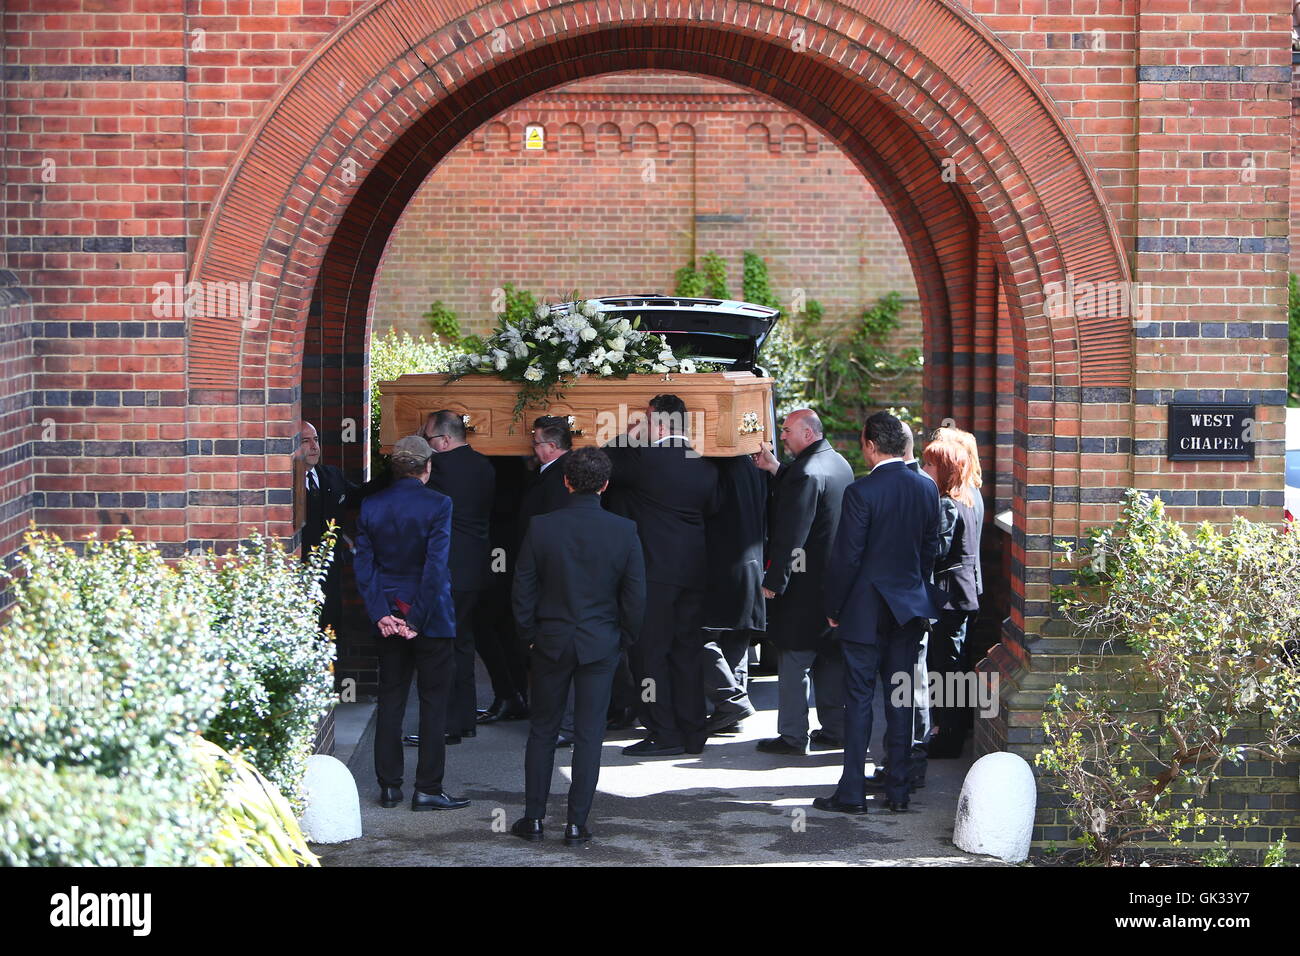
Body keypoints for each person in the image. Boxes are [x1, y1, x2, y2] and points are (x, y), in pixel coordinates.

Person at [511, 447, 646, 846]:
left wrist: (529, 634)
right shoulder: (624, 531)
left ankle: (533, 819)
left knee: (543, 731)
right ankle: (575, 824)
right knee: (589, 735)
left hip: (551, 639)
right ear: (605, 485)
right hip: (600, 641)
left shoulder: (541, 527)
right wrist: (624, 638)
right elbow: (635, 596)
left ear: (566, 481)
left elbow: (523, 589)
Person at [815, 411, 941, 814]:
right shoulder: (927, 488)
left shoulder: (862, 491)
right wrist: (916, 594)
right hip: (907, 610)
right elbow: (929, 551)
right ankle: (899, 791)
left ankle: (852, 791)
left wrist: (833, 607)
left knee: (859, 701)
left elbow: (847, 559)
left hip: (864, 611)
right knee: (900, 700)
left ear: (870, 446)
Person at [354, 435, 468, 812]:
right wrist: (416, 618)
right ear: (427, 467)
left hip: (388, 616)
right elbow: (435, 567)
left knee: (391, 699)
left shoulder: (371, 505)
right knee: (433, 703)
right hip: (429, 616)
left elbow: (364, 566)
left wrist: (381, 613)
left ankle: (389, 787)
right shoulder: (439, 504)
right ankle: (428, 788)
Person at [604, 394, 720, 756]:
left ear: (658, 424)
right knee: (687, 653)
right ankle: (693, 731)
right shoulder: (706, 466)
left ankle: (663, 731)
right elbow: (713, 510)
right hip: (695, 573)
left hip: (655, 574)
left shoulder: (644, 458)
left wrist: (627, 434)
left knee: (649, 656)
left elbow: (603, 460)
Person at [751, 409, 854, 756]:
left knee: (794, 659)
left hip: (804, 586)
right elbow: (815, 496)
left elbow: (792, 534)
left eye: (787, 431)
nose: (782, 437)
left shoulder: (807, 473)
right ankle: (835, 729)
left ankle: (793, 736)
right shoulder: (838, 462)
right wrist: (775, 468)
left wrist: (774, 580)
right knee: (830, 657)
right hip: (836, 583)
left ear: (807, 434)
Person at [423, 410, 496, 744]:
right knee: (464, 644)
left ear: (445, 440)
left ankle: (448, 724)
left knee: (443, 647)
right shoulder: (485, 465)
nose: (427, 446)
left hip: (448, 569)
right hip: (476, 568)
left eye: (429, 439)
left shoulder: (437, 468)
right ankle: (465, 719)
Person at [921, 437, 979, 759]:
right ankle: (950, 732)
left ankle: (947, 738)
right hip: (960, 594)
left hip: (949, 596)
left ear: (943, 470)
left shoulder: (945, 503)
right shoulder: (966, 498)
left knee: (946, 669)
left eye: (929, 464)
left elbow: (937, 550)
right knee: (952, 668)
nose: (924, 468)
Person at [700, 453, 767, 735]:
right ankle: (731, 711)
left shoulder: (715, 467)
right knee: (737, 637)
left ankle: (731, 701)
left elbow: (710, 508)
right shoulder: (751, 467)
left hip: (723, 563)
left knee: (702, 636)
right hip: (752, 561)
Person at [296, 420, 365, 633]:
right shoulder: (282, 482)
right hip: (298, 568)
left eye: (315, 440)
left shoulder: (332, 475)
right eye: (306, 441)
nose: (314, 447)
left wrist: (395, 472)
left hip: (330, 570)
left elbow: (360, 496)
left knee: (330, 624)